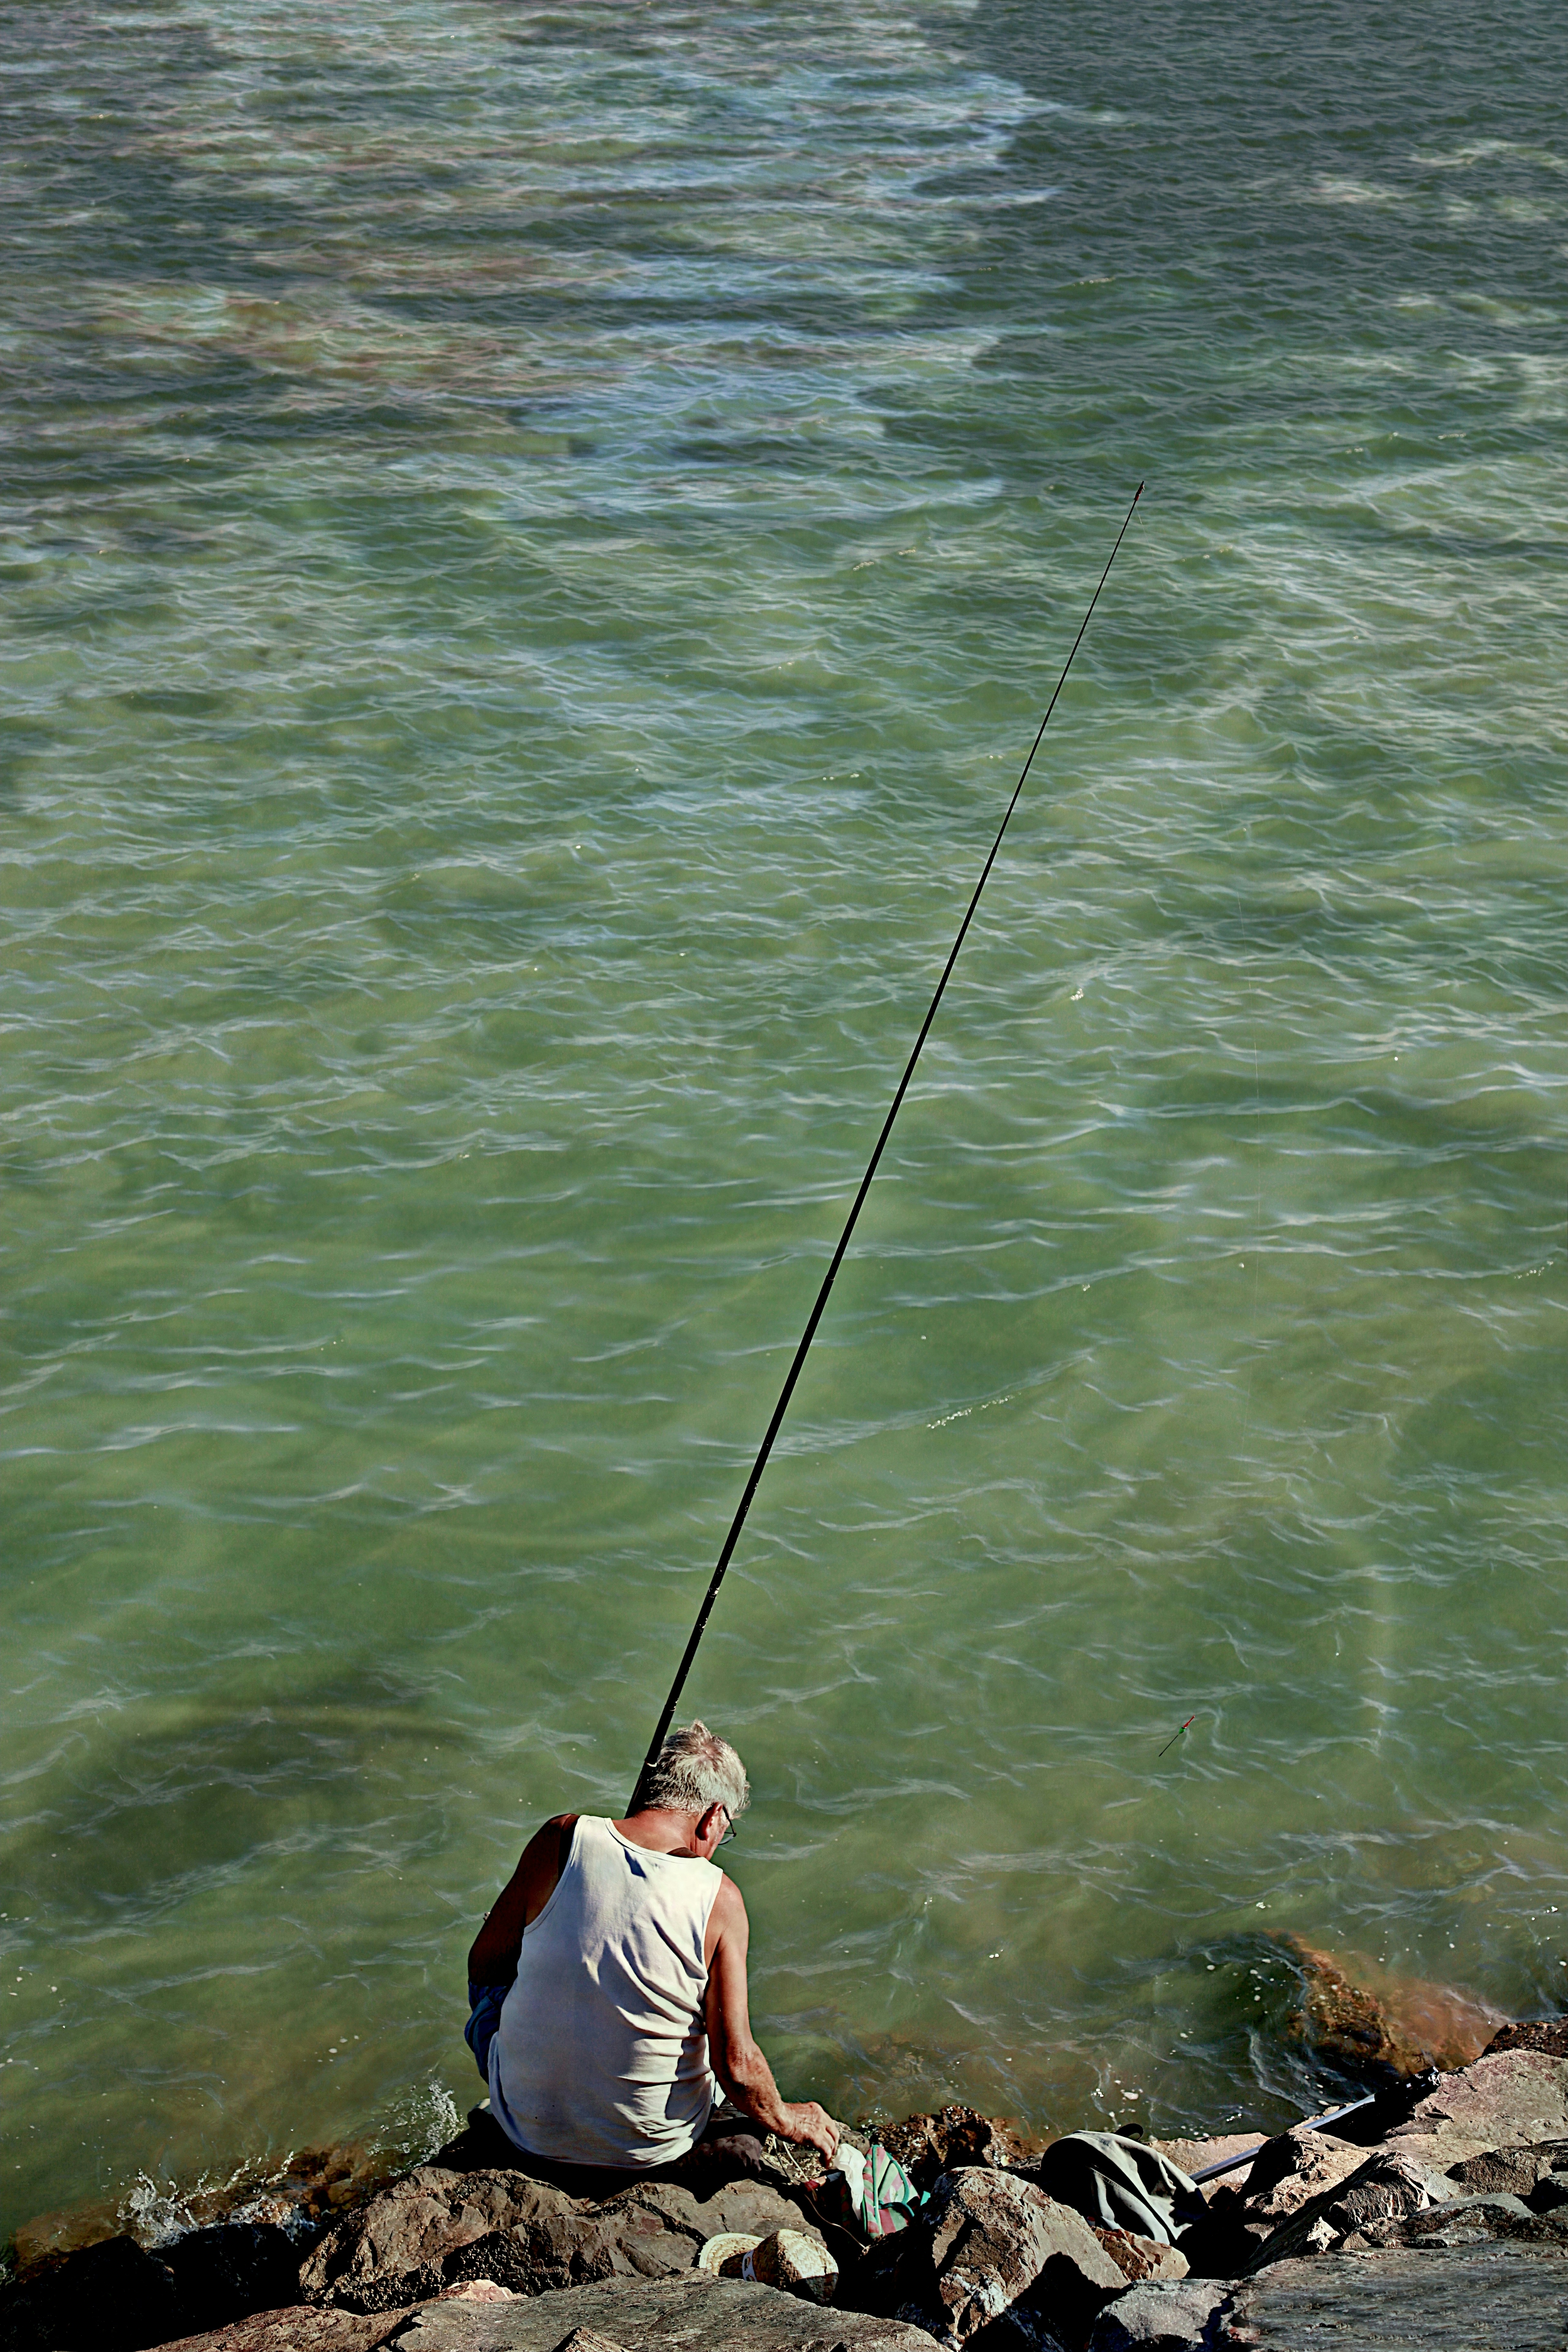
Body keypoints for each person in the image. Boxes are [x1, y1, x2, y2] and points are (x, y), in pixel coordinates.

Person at [466, 1720, 839, 2179]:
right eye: (727, 1832)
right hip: (646, 2150)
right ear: (713, 1817)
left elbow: (483, 1966)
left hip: (526, 2134)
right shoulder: (720, 1899)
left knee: (499, 1978)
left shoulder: (561, 1837)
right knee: (701, 2032)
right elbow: (736, 2065)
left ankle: (536, 2088)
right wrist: (786, 2117)